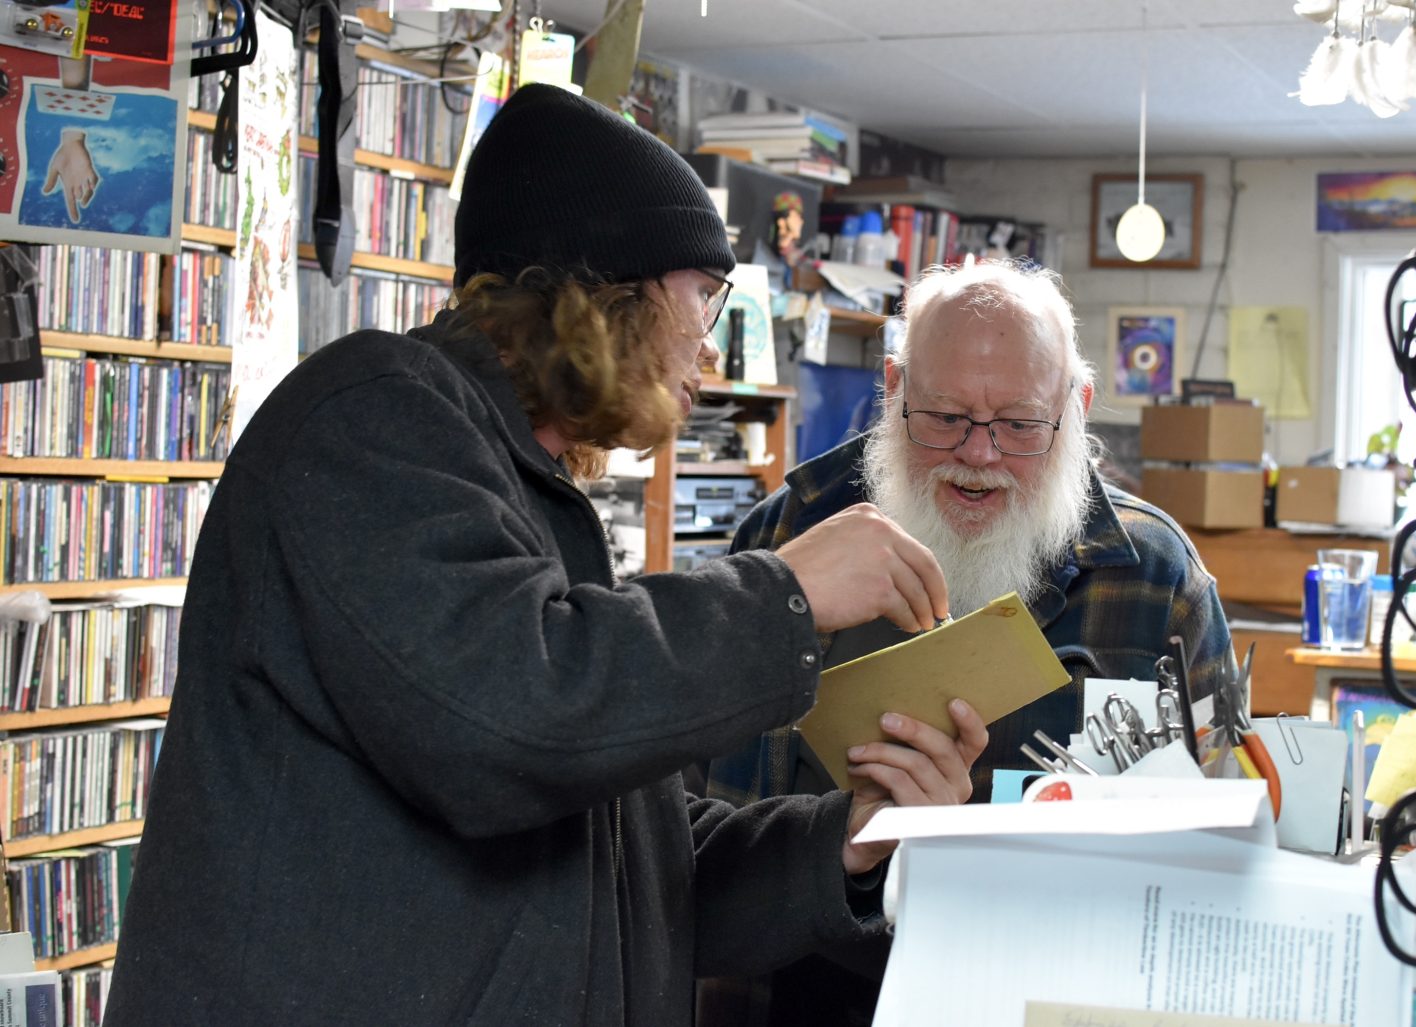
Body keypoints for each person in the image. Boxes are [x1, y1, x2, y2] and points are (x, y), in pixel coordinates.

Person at [105, 84, 989, 1026]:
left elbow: (636, 870)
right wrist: (788, 593)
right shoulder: (369, 415)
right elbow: (509, 719)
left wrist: (848, 837)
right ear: (609, 296)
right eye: (703, 294)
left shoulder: (522, 485)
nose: (710, 337)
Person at [702, 258, 1234, 1026]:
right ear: (894, 390)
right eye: (944, 416)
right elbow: (698, 837)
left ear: (1075, 407)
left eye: (1019, 424)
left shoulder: (1153, 579)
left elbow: (1216, 853)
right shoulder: (788, 536)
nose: (978, 456)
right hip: (797, 994)